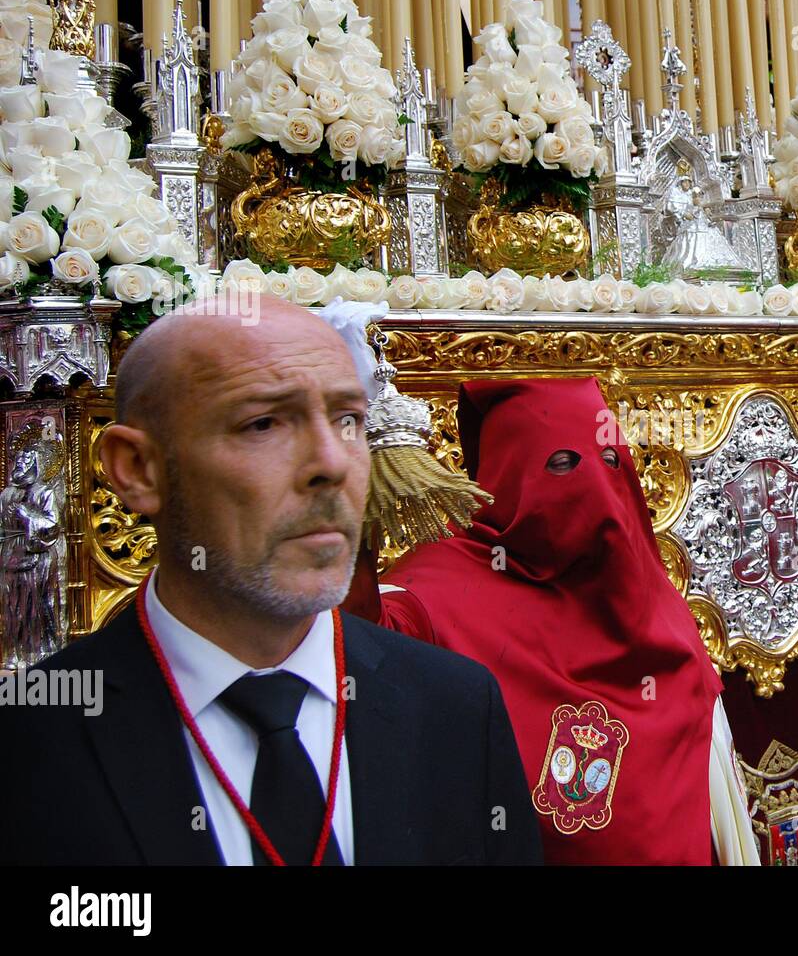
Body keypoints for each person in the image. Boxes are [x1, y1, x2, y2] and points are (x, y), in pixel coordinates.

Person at [0, 294, 541, 866]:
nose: (331, 464)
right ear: (139, 469)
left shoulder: (454, 706)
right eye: (263, 423)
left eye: (348, 420)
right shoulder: (33, 736)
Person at [345, 377, 759, 865]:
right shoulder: (436, 589)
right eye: (562, 463)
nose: (595, 487)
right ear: (506, 475)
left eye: (609, 461)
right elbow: (361, 649)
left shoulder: (648, 592)